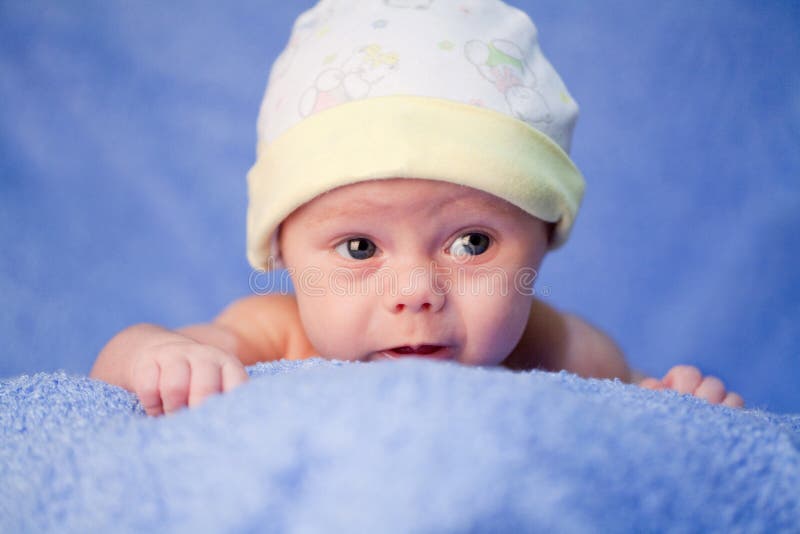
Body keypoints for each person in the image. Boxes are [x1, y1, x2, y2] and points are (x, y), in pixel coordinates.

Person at [90, 0, 744, 416]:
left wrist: (679, 400)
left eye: (472, 243)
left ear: (543, 238)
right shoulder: (274, 332)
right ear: (280, 249)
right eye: (359, 248)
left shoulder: (558, 346)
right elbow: (124, 360)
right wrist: (163, 358)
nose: (415, 293)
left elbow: (638, 404)